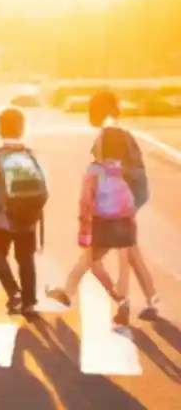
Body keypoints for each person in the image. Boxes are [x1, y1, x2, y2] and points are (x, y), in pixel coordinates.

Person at [46, 91, 159, 323]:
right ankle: (151, 299)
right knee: (128, 250)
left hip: (120, 202)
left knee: (107, 252)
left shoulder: (111, 134)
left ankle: (117, 300)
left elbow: (108, 172)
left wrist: (109, 203)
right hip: (129, 198)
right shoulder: (119, 132)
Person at [0, 107, 48, 316]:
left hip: (3, 217)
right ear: (22, 129)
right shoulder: (29, 154)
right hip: (28, 217)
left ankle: (13, 292)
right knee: (25, 258)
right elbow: (42, 184)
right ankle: (29, 302)